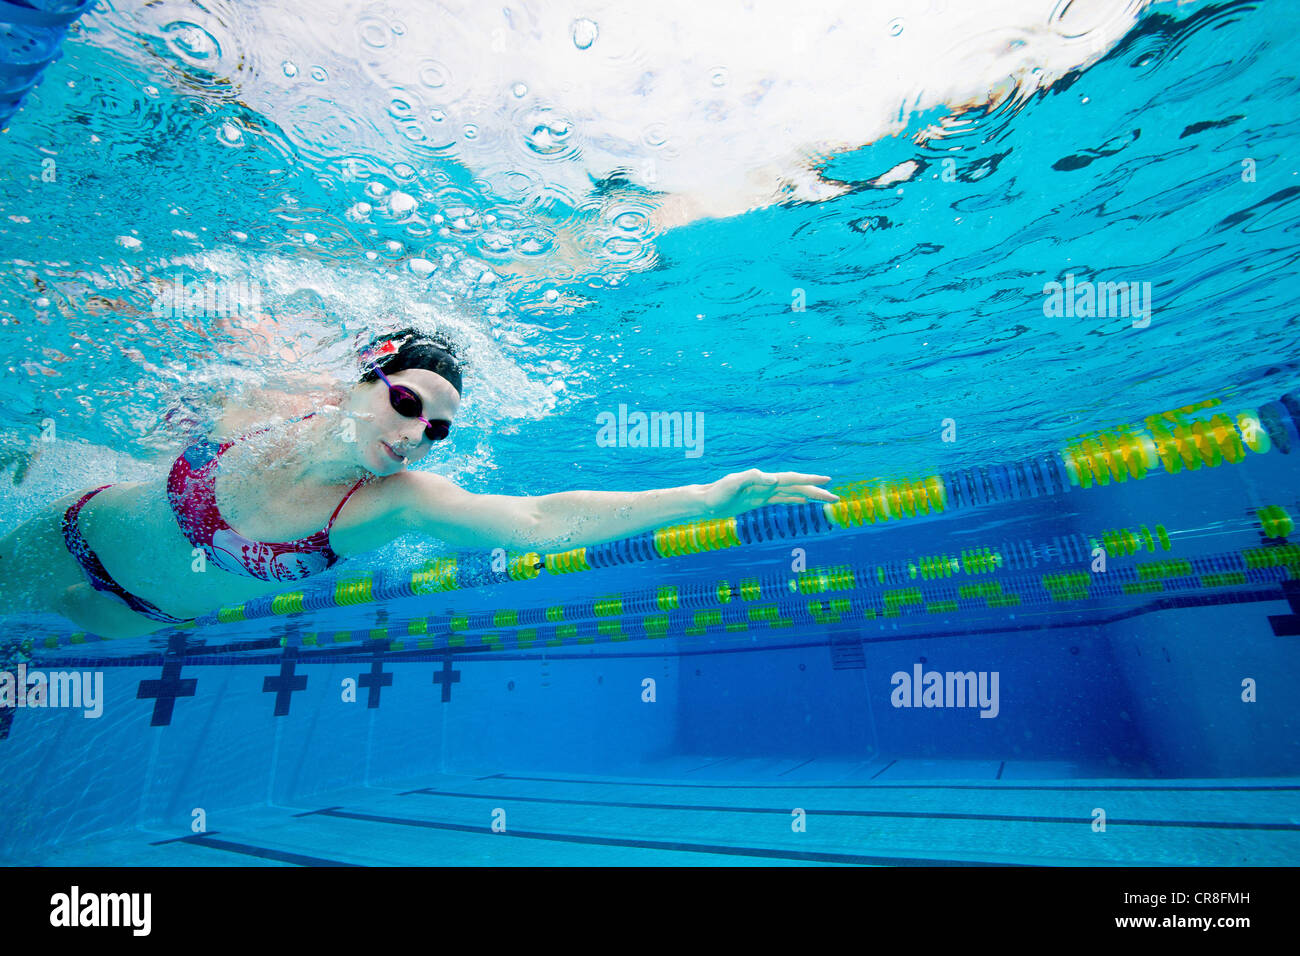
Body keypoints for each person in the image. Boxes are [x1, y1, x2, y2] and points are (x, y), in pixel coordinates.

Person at [0, 327, 838, 640]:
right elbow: (151, 406)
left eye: (436, 429)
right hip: (71, 533)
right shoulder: (264, 402)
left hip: (132, 617)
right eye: (406, 404)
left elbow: (543, 518)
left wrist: (704, 500)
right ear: (363, 380)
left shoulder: (390, 503)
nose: (414, 437)